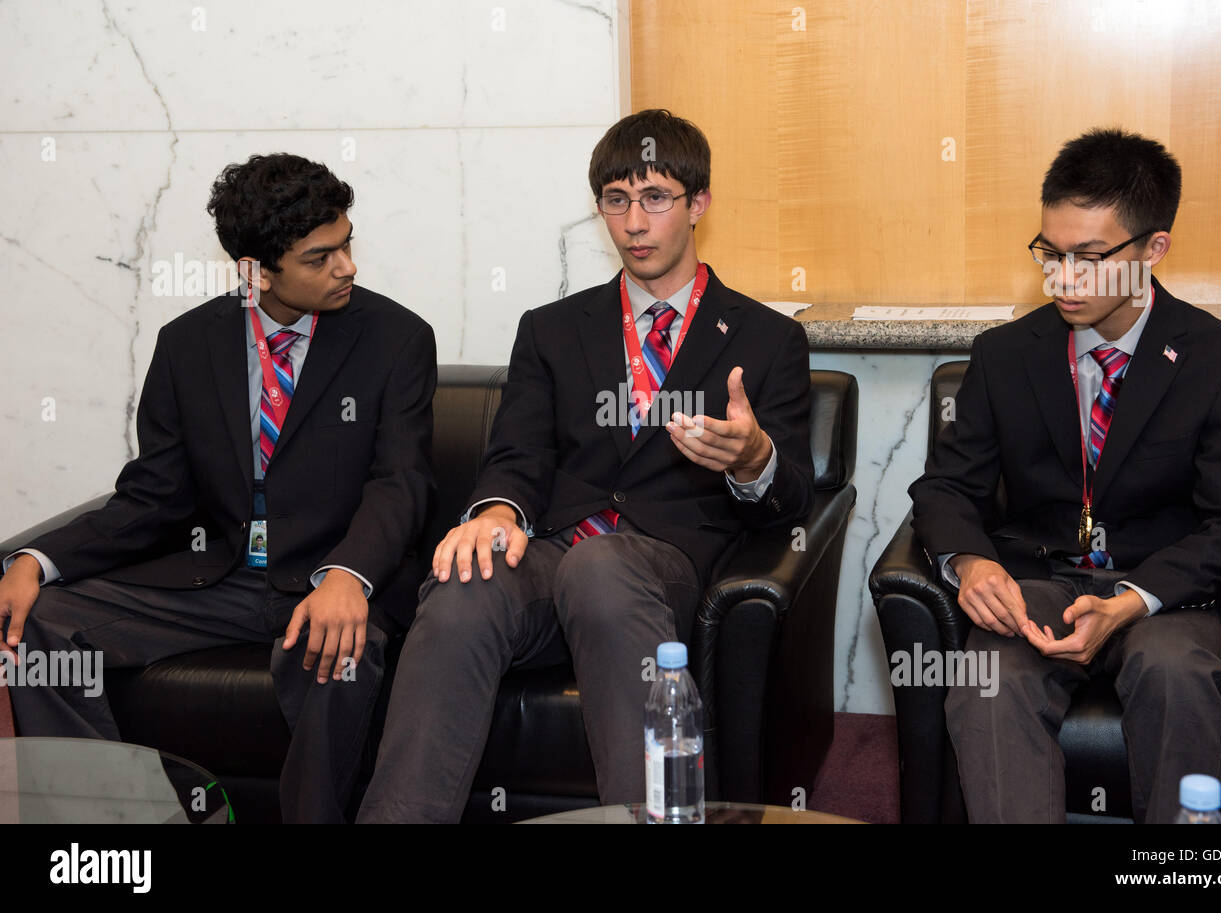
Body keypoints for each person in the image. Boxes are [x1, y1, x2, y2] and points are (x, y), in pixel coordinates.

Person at [357, 109, 814, 822]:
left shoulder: (768, 337)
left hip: (667, 564)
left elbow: (789, 499)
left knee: (600, 566)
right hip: (554, 552)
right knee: (461, 586)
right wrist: (500, 513)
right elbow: (519, 451)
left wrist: (754, 457)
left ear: (698, 204)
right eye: (616, 199)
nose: (634, 222)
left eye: (656, 197)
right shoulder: (551, 329)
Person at [0, 153, 437, 823]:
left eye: (347, 243)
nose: (347, 265)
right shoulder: (188, 345)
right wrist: (35, 559)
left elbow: (399, 483)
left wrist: (348, 575)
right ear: (256, 269)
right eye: (320, 257)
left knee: (338, 653)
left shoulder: (396, 338)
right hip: (219, 578)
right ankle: (121, 832)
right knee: (41, 630)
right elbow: (153, 495)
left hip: (328, 578)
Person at [909, 128, 1221, 824]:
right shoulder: (1004, 355)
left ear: (1153, 249)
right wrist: (970, 561)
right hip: (1042, 586)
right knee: (987, 681)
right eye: (1050, 254)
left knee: (1173, 673)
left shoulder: (1219, 362)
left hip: (1164, 597)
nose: (1063, 279)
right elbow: (946, 487)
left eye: (1089, 257)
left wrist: (1133, 598)